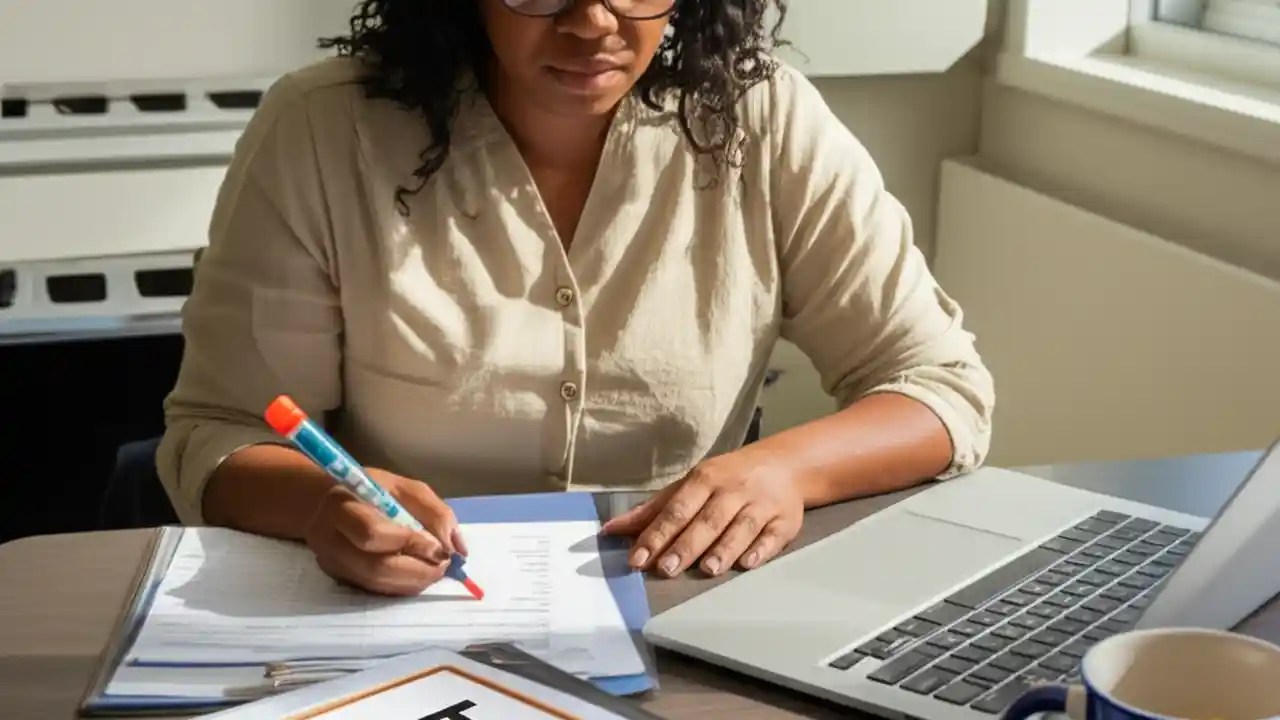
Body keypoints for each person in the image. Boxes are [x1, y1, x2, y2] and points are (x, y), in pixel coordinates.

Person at [157, 0, 995, 597]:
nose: (593, 22)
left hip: (688, 605)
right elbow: (218, 431)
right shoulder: (320, 130)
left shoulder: (762, 119)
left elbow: (941, 387)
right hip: (409, 611)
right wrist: (320, 506)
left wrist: (784, 468)